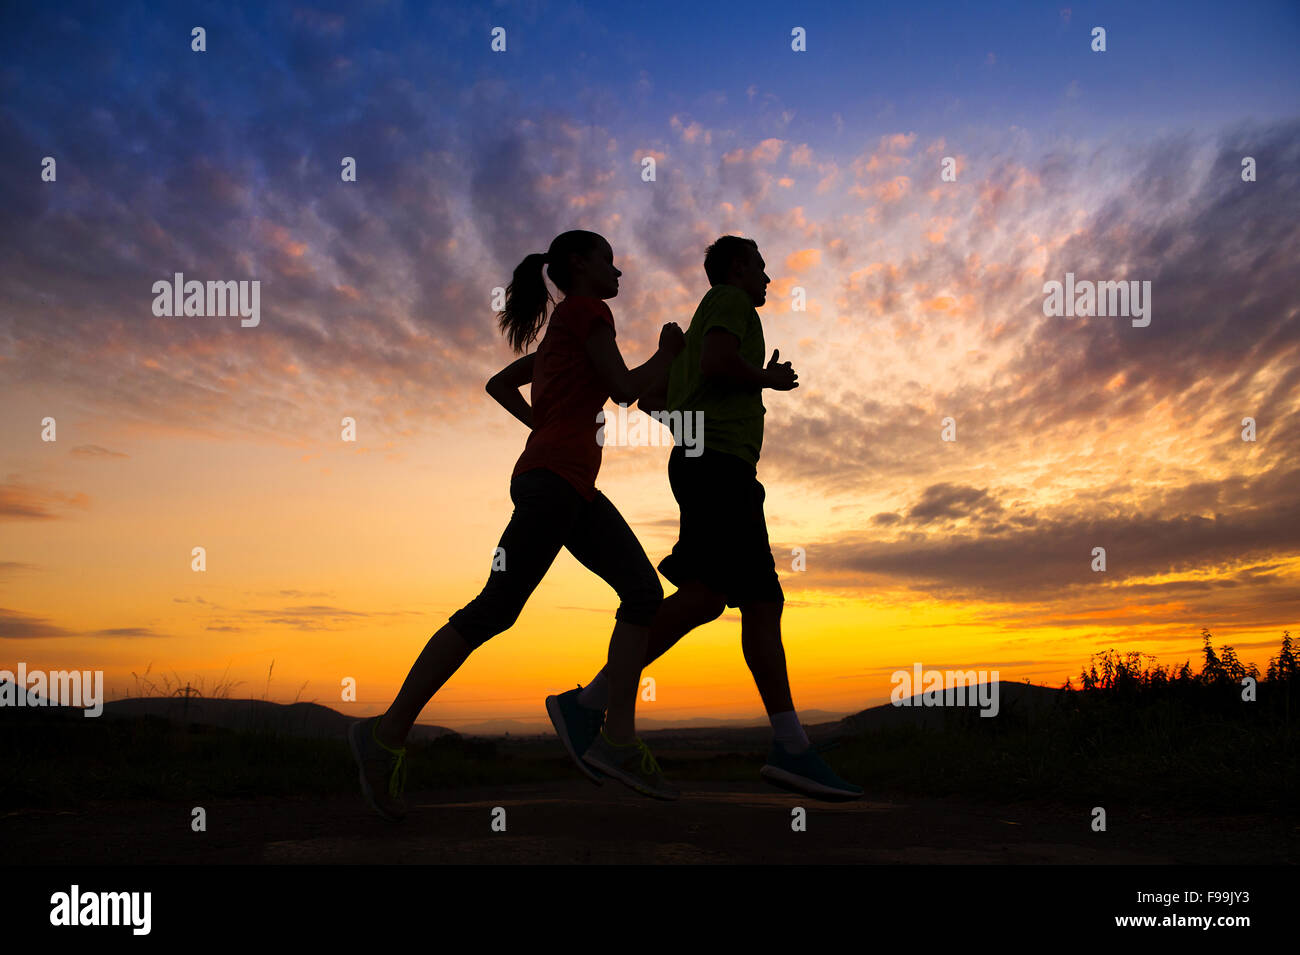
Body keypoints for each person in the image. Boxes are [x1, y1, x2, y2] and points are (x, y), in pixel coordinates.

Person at [350, 229, 685, 821]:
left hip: (563, 483)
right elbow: (625, 389)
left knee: (639, 592)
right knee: (496, 608)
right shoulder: (586, 311)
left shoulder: (563, 333)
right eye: (610, 260)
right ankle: (385, 735)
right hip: (555, 483)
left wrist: (543, 424)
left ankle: (618, 742)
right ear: (580, 265)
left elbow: (499, 383)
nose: (620, 272)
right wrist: (668, 353)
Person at [552, 235, 863, 800]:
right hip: (717, 468)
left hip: (710, 467)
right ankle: (788, 748)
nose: (768, 280)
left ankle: (593, 702)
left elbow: (654, 402)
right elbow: (720, 365)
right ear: (738, 269)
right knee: (738, 600)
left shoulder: (698, 330)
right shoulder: (728, 303)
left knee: (724, 600)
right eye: (763, 269)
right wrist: (765, 379)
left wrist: (696, 414)